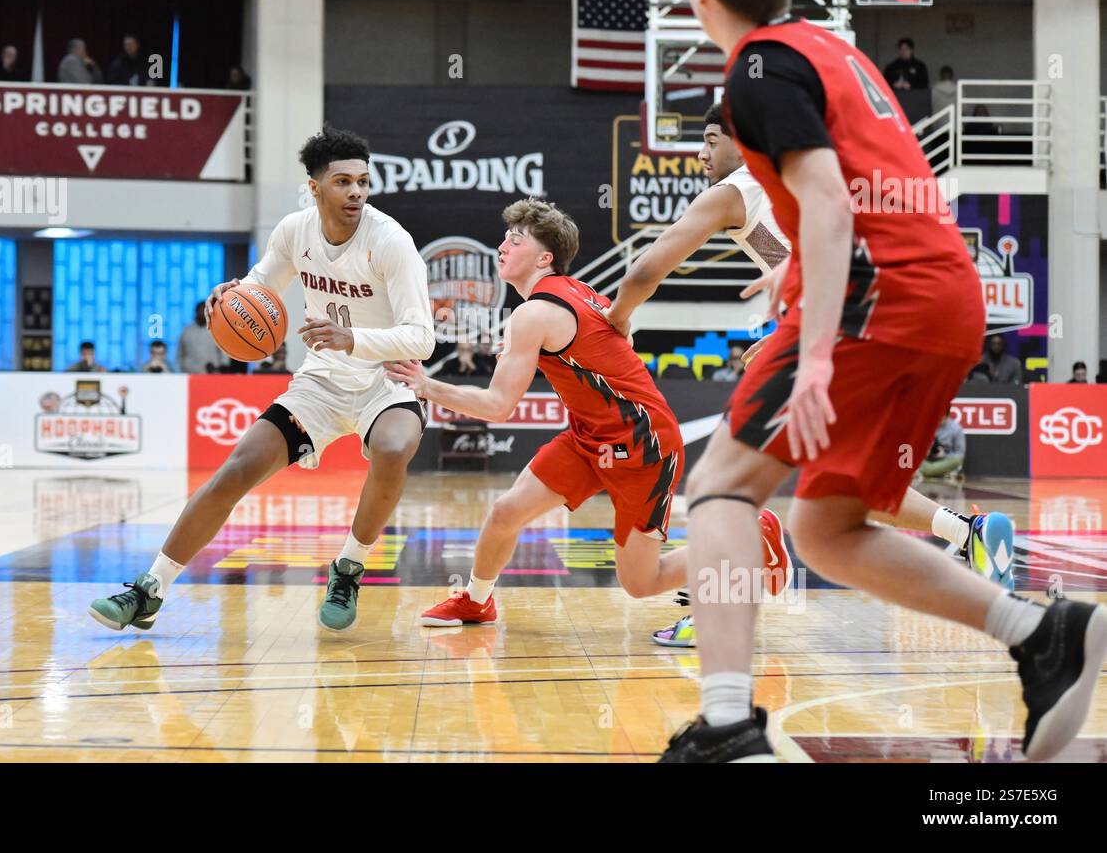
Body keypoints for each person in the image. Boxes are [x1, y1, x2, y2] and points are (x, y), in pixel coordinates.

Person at [657, 0, 1104, 764]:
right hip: (943, 298)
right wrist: (796, 273)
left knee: (718, 490)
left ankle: (726, 729)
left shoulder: (755, 67)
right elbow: (867, 188)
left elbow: (828, 202)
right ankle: (1039, 634)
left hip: (878, 299)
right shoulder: (834, 51)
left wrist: (816, 355)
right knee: (828, 528)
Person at [605, 100, 1013, 651]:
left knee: (722, 485)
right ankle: (968, 534)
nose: (701, 155)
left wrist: (616, 321)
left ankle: (717, 612)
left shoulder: (738, 190)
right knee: (845, 490)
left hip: (844, 325)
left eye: (708, 141)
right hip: (886, 326)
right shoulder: (803, 176)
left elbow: (647, 268)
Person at [90, 126, 436, 633]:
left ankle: (348, 566)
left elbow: (422, 337)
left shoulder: (390, 242)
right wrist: (229, 296)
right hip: (319, 383)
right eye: (343, 182)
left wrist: (351, 338)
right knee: (235, 470)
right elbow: (260, 286)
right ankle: (149, 589)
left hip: (385, 382)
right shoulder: (295, 231)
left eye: (364, 181)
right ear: (314, 188)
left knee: (392, 446)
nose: (357, 192)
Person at [385, 199, 791, 630]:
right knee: (507, 511)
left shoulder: (534, 313)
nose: (502, 245)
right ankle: (476, 601)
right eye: (505, 237)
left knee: (640, 582)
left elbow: (497, 406)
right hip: (589, 437)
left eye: (515, 239)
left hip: (642, 445)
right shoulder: (579, 293)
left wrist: (427, 386)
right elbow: (616, 345)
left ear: (544, 258)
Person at [177, 302, 228, 373]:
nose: (202, 314)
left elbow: (224, 352)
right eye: (200, 311)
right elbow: (180, 353)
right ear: (195, 312)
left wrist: (223, 368)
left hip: (212, 373)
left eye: (204, 311)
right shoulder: (187, 331)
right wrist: (180, 369)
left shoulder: (217, 330)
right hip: (190, 373)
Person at [918, 413, 965, 480]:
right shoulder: (924, 425)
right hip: (926, 459)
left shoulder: (956, 428)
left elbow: (960, 454)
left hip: (945, 460)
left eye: (941, 417)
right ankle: (940, 472)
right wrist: (925, 451)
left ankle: (925, 471)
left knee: (956, 461)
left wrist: (944, 455)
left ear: (947, 416)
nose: (938, 419)